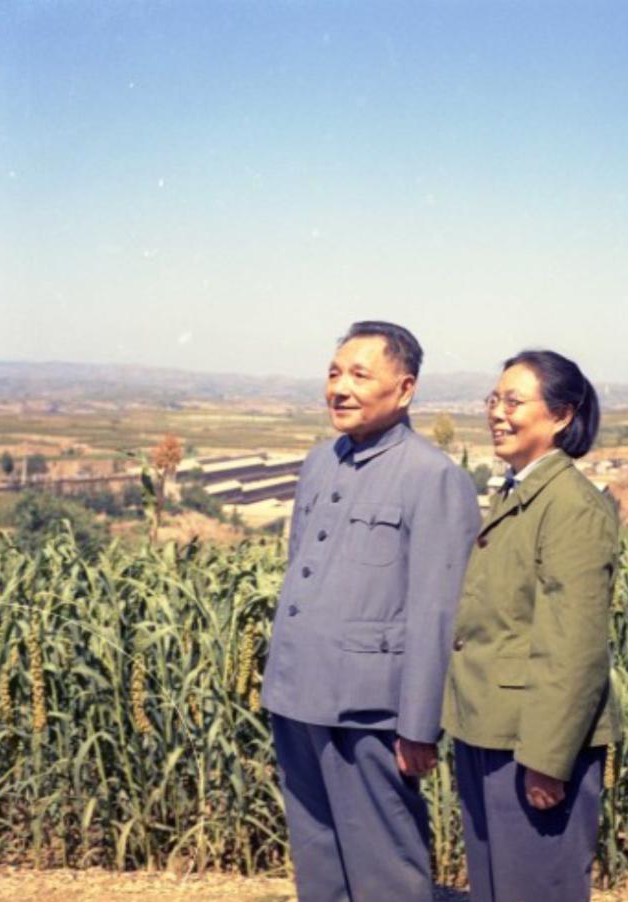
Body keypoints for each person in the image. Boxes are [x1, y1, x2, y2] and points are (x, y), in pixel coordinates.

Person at [262, 321, 481, 902]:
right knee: (318, 858)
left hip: (371, 708)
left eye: (360, 375)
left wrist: (418, 725)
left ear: (404, 389)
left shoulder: (433, 477)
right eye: (334, 373)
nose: (340, 388)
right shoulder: (319, 462)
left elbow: (437, 612)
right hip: (297, 693)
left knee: (385, 866)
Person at [441, 349, 620, 902]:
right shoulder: (519, 491)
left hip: (532, 742)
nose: (497, 412)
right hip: (490, 729)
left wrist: (547, 760)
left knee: (537, 890)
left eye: (514, 401)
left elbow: (574, 649)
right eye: (493, 399)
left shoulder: (571, 507)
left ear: (562, 415)